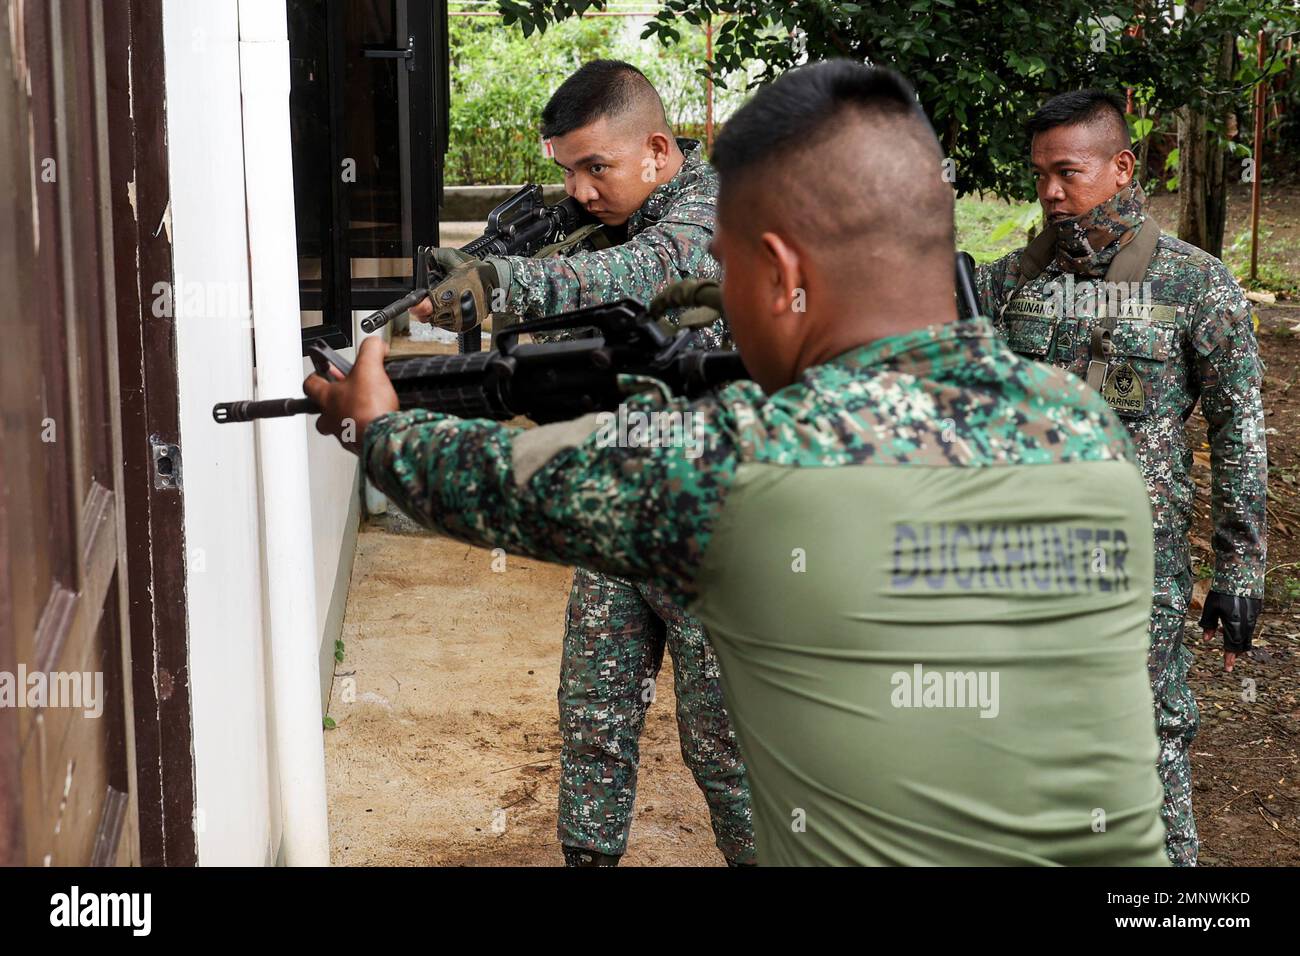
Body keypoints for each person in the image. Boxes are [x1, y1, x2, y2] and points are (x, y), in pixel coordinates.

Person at [309, 61, 1169, 866]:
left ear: (784, 272)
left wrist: (380, 428)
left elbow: (504, 482)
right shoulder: (1086, 427)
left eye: (724, 271)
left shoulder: (756, 462)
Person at [412, 59, 752, 867]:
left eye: (596, 167)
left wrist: (499, 282)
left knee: (728, 756)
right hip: (617, 513)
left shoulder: (707, 215)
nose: (580, 190)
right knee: (594, 724)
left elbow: (639, 275)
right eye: (568, 171)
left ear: (658, 151)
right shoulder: (602, 224)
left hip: (710, 531)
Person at [975, 90, 1268, 866]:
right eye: (1039, 175)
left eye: (1066, 173)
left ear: (1121, 168)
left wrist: (1240, 570)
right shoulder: (1011, 283)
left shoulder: (1194, 285)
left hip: (1136, 571)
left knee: (1145, 744)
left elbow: (1238, 430)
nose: (1049, 192)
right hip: (1019, 567)